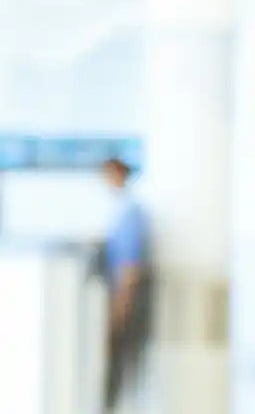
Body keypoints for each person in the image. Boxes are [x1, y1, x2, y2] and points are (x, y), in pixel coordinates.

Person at [101, 157, 152, 414]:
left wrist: (122, 301)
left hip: (127, 293)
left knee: (124, 354)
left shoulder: (131, 212)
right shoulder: (122, 209)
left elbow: (130, 265)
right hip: (121, 290)